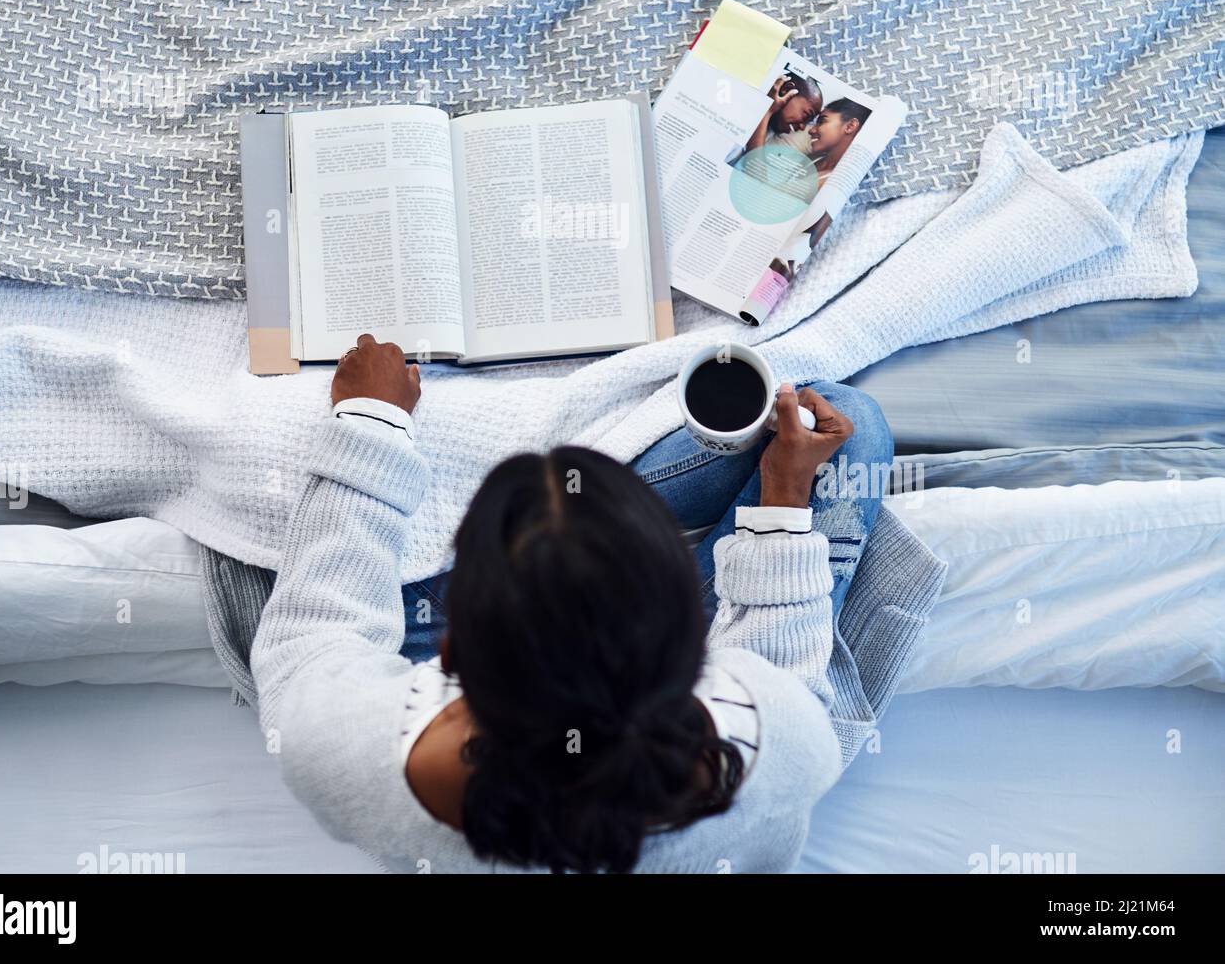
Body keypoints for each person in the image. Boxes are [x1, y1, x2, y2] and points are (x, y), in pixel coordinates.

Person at [251, 335, 900, 875]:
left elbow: (313, 634)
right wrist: (783, 498)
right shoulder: (788, 745)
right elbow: (776, 669)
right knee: (849, 422)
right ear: (694, 644)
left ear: (449, 650)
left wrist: (371, 424)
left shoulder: (337, 751)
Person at [809, 97, 871, 187]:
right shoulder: (811, 160)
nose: (811, 130)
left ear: (850, 126)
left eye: (822, 121)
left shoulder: (838, 181)